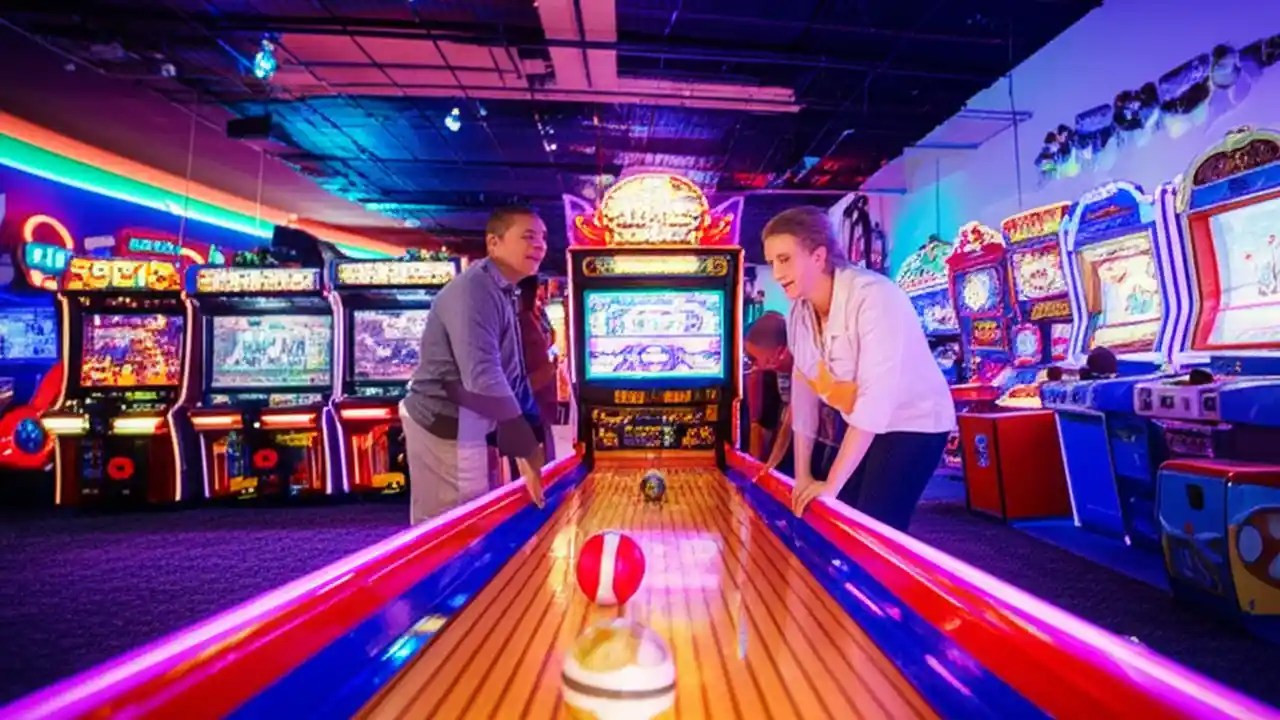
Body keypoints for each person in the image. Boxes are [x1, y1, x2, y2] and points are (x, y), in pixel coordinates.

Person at [761, 205, 956, 532]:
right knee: (839, 520)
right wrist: (804, 474)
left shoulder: (873, 297)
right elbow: (805, 388)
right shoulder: (799, 312)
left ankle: (885, 583)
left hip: (915, 422)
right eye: (771, 263)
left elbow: (874, 400)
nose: (777, 273)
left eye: (784, 259)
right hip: (862, 424)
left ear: (818, 256)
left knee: (872, 527)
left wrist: (831, 487)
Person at [399, 206, 549, 525]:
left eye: (543, 238)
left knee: (478, 511)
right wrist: (525, 449)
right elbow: (483, 376)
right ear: (493, 243)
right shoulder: (474, 290)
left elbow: (512, 373)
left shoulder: (504, 290)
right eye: (528, 237)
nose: (539, 245)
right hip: (444, 421)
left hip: (470, 420)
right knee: (454, 524)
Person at [517, 273, 559, 462]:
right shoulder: (518, 323)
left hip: (540, 409)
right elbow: (519, 383)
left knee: (546, 469)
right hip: (527, 411)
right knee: (534, 476)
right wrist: (549, 369)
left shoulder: (532, 316)